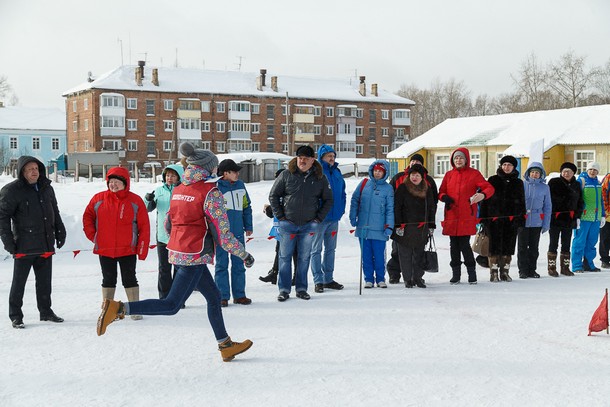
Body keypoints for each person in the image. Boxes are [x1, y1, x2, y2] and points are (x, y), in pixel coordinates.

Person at [97, 142, 255, 362]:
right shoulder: (211, 193)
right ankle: (119, 308)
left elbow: (168, 224)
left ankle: (225, 345)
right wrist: (244, 255)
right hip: (194, 255)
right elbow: (224, 236)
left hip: (177, 250)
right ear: (209, 167)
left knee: (213, 297)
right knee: (171, 305)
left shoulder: (180, 189)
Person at [0, 156, 66, 329]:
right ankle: (15, 315)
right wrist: (8, 242)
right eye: (29, 169)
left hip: (45, 242)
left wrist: (60, 231)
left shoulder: (46, 188)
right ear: (22, 172)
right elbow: (3, 218)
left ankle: (46, 311)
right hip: (23, 245)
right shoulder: (12, 191)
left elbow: (55, 210)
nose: (34, 172)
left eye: (36, 168)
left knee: (45, 281)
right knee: (19, 283)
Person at [83, 166, 150, 320]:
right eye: (111, 181)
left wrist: (142, 248)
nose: (113, 185)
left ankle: (134, 309)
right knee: (108, 279)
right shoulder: (98, 199)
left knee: (129, 279)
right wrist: (94, 237)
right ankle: (108, 311)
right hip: (105, 249)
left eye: (117, 182)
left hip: (128, 249)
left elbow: (144, 226)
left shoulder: (135, 201)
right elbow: (87, 218)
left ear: (125, 183)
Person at [268, 144, 333, 302]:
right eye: (299, 158)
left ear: (312, 160)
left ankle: (302, 288)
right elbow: (273, 196)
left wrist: (318, 219)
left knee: (304, 258)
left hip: (309, 224)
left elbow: (328, 200)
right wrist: (281, 217)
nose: (302, 161)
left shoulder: (320, 178)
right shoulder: (286, 175)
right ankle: (283, 289)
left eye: (305, 158)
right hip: (287, 224)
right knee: (284, 258)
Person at [438, 147, 494, 285]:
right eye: (456, 158)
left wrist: (482, 195)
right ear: (452, 160)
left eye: (461, 158)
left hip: (466, 215)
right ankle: (455, 275)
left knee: (464, 245)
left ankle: (471, 274)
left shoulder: (474, 174)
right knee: (453, 246)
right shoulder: (449, 175)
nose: (458, 160)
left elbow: (489, 188)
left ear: (466, 160)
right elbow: (441, 192)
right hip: (452, 215)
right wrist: (444, 197)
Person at [387, 153, 438, 284]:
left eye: (417, 174)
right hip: (404, 226)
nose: (415, 176)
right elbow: (395, 205)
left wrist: (431, 225)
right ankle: (401, 276)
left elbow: (432, 206)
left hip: (421, 227)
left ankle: (417, 277)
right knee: (399, 253)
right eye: (413, 161)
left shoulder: (428, 184)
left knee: (418, 253)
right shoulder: (400, 182)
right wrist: (397, 225)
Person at [478, 155, 525, 282]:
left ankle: (505, 271)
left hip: (511, 221)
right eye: (504, 165)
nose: (506, 167)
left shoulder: (518, 182)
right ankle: (493, 272)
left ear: (514, 167)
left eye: (509, 165)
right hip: (493, 220)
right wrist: (482, 218)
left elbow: (521, 202)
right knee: (494, 246)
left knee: (508, 246)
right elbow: (484, 200)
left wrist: (520, 218)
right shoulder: (493, 180)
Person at [349, 160, 394, 288]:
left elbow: (390, 209)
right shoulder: (364, 184)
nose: (377, 173)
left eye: (380, 171)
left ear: (384, 172)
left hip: (379, 228)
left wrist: (389, 225)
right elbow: (355, 200)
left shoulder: (388, 188)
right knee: (366, 256)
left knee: (379, 256)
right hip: (363, 227)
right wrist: (353, 217)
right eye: (375, 170)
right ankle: (368, 278)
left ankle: (380, 278)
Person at [215, 158, 253, 306]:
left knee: (239, 263)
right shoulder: (216, 187)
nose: (238, 173)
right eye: (235, 171)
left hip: (238, 232)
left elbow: (246, 206)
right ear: (225, 173)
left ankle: (239, 295)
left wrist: (248, 225)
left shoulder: (241, 185)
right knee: (221, 264)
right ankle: (222, 296)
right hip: (221, 233)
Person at [145, 163, 185, 299]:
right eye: (167, 175)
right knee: (164, 269)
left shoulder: (184, 190)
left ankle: (177, 297)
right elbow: (148, 208)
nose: (170, 178)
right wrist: (148, 200)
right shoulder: (159, 191)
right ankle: (164, 297)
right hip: (162, 236)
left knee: (179, 269)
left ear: (179, 177)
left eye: (173, 175)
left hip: (180, 236)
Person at [311, 144, 346, 293]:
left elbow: (342, 193)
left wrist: (341, 209)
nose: (332, 158)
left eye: (333, 155)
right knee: (316, 249)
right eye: (328, 156)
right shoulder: (317, 173)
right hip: (319, 219)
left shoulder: (337, 172)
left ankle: (328, 279)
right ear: (321, 157)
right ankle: (318, 280)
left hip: (334, 218)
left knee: (331, 249)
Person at [259, 169, 298, 284]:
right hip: (280, 227)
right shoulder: (278, 191)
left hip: (291, 226)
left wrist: (269, 208)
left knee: (294, 252)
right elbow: (273, 213)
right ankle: (274, 273)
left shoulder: (290, 190)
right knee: (279, 250)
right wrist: (269, 209)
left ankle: (296, 276)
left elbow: (286, 208)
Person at [547, 162, 584, 276]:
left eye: (569, 171)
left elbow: (580, 201)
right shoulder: (554, 182)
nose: (566, 173)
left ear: (573, 173)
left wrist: (577, 216)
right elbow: (548, 200)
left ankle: (565, 267)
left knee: (566, 243)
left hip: (569, 219)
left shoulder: (576, 185)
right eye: (564, 171)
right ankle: (551, 268)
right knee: (553, 243)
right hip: (555, 219)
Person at [517, 162, 552, 279]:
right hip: (523, 220)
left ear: (541, 174)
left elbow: (547, 206)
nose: (534, 174)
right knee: (522, 247)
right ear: (528, 173)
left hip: (537, 220)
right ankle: (522, 270)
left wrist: (546, 223)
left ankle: (532, 269)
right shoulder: (522, 185)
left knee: (533, 247)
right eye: (532, 172)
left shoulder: (545, 187)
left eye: (537, 172)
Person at [571, 162, 606, 273]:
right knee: (579, 241)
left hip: (596, 217)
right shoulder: (581, 181)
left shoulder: (598, 182)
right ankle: (577, 265)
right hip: (584, 216)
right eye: (590, 169)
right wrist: (577, 216)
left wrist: (603, 215)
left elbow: (601, 200)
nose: (592, 171)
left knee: (592, 242)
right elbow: (576, 199)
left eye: (595, 170)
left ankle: (588, 264)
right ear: (587, 170)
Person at [599, 172, 610, 269]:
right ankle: (605, 260)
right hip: (608, 214)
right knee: (605, 238)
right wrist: (606, 209)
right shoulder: (608, 178)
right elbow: (603, 194)